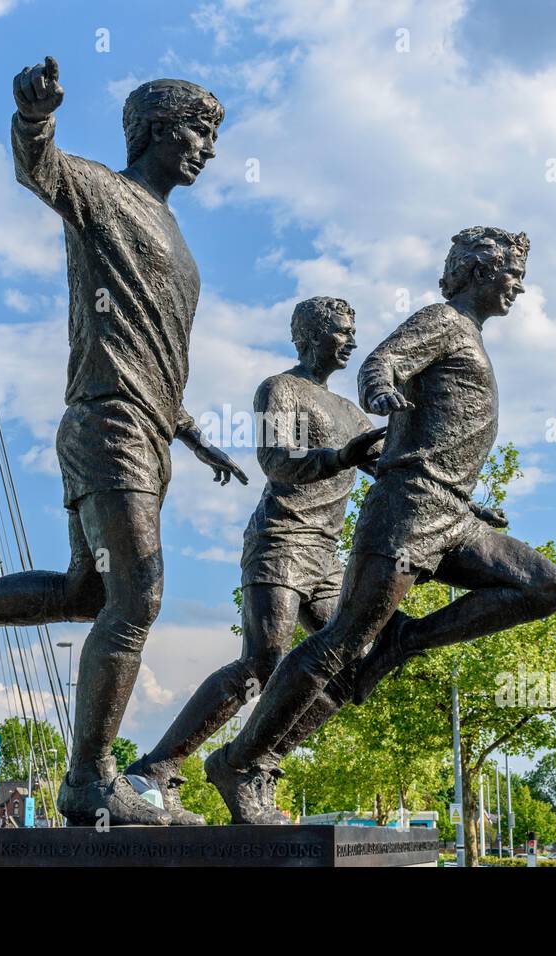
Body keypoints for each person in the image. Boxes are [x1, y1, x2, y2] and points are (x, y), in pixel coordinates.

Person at [0, 57, 248, 827]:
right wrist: (35, 118)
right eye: (198, 131)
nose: (209, 149)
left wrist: (193, 433)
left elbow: (149, 343)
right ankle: (91, 778)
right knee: (140, 596)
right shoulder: (105, 192)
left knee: (87, 594)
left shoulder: (173, 228)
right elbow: (41, 169)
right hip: (109, 422)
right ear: (157, 131)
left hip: (146, 427)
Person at [206, 227, 556, 822]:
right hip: (406, 513)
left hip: (451, 514)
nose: (520, 287)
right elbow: (385, 360)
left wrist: (474, 509)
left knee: (544, 586)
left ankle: (405, 639)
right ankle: (241, 761)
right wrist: (379, 387)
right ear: (478, 272)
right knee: (341, 642)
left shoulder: (469, 336)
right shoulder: (445, 322)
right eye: (513, 275)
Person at [126, 296, 385, 824]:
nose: (352, 341)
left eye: (354, 331)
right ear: (309, 336)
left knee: (356, 667)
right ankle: (156, 768)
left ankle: (253, 764)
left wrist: (459, 502)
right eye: (341, 330)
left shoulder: (355, 415)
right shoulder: (279, 389)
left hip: (327, 558)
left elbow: (395, 471)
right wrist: (340, 457)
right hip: (281, 541)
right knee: (266, 660)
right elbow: (276, 462)